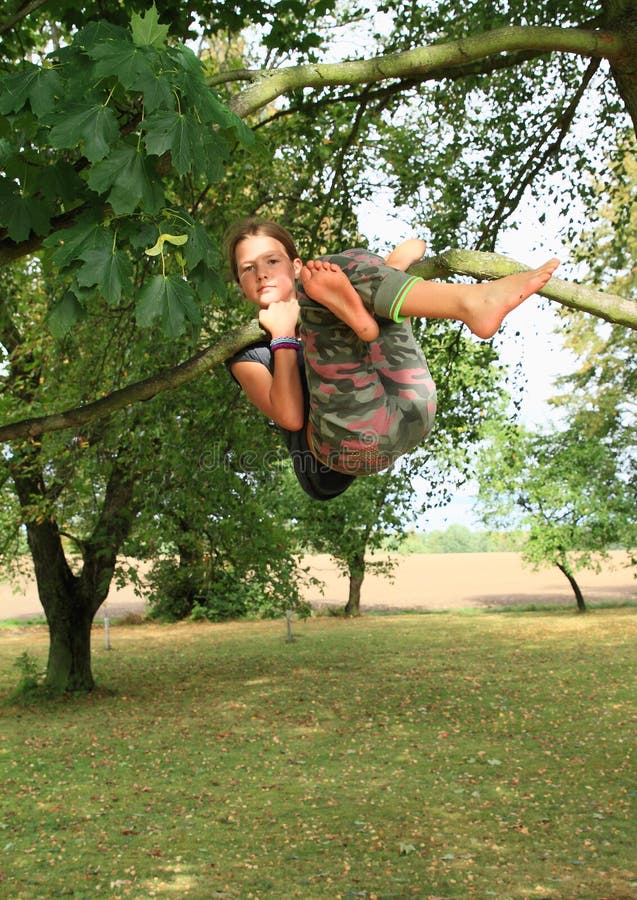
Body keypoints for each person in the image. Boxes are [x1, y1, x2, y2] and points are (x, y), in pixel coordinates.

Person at [225, 218, 560, 500]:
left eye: (272, 261)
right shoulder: (248, 354)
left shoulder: (319, 284)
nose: (262, 273)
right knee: (322, 285)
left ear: (294, 266)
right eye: (248, 269)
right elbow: (290, 416)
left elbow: (415, 245)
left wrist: (388, 267)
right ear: (240, 284)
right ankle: (433, 298)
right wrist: (282, 337)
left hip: (411, 409)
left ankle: (393, 290)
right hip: (349, 447)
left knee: (344, 265)